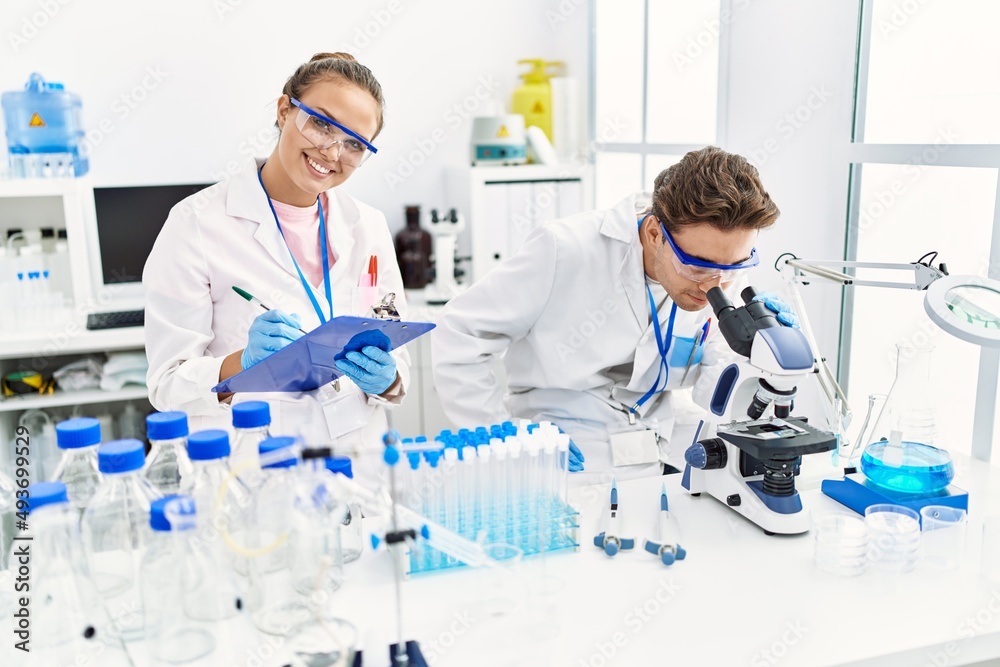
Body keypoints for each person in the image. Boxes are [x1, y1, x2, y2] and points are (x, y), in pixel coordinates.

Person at [432, 146, 797, 483]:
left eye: (735, 267)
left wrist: (759, 358)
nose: (713, 287)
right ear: (654, 233)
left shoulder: (721, 268)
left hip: (659, 448)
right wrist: (501, 436)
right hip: (562, 449)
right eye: (698, 267)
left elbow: (714, 392)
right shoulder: (566, 249)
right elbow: (459, 333)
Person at [144, 53, 407, 482]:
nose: (332, 151)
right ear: (285, 110)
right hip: (254, 473)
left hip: (358, 467)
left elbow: (398, 350)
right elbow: (167, 384)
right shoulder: (196, 224)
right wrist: (241, 363)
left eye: (355, 144)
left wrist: (388, 378)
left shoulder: (369, 226)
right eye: (321, 123)